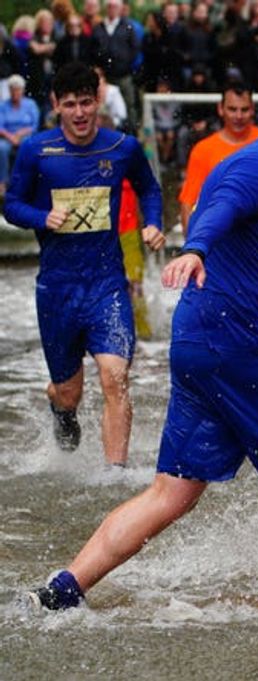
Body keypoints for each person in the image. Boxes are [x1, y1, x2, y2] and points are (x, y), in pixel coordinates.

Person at [24, 67, 258, 613]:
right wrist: (195, 249)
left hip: (202, 344)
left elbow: (255, 226)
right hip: (240, 340)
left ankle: (63, 588)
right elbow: (221, 207)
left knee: (171, 493)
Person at [3, 62, 163, 466]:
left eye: (86, 103)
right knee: (68, 391)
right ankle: (59, 407)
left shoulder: (121, 147)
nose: (79, 113)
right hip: (57, 289)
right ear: (56, 105)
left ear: (98, 101)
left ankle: (115, 474)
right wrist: (42, 218)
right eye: (70, 104)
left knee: (114, 375)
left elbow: (149, 188)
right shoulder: (36, 150)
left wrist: (153, 224)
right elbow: (12, 205)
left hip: (107, 283)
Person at [178, 81, 258, 236]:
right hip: (220, 238)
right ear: (220, 109)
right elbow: (188, 202)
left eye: (244, 109)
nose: (238, 116)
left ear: (252, 110)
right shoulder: (203, 150)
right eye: (232, 109)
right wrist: (190, 248)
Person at [0, 75, 41, 197]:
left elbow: (35, 125)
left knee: (27, 145)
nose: (15, 92)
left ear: (23, 90)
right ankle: (3, 182)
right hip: (7, 137)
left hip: (26, 135)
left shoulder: (31, 104)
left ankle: (24, 180)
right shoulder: (3, 106)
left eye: (17, 89)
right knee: (1, 148)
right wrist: (11, 137)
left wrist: (19, 134)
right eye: (12, 89)